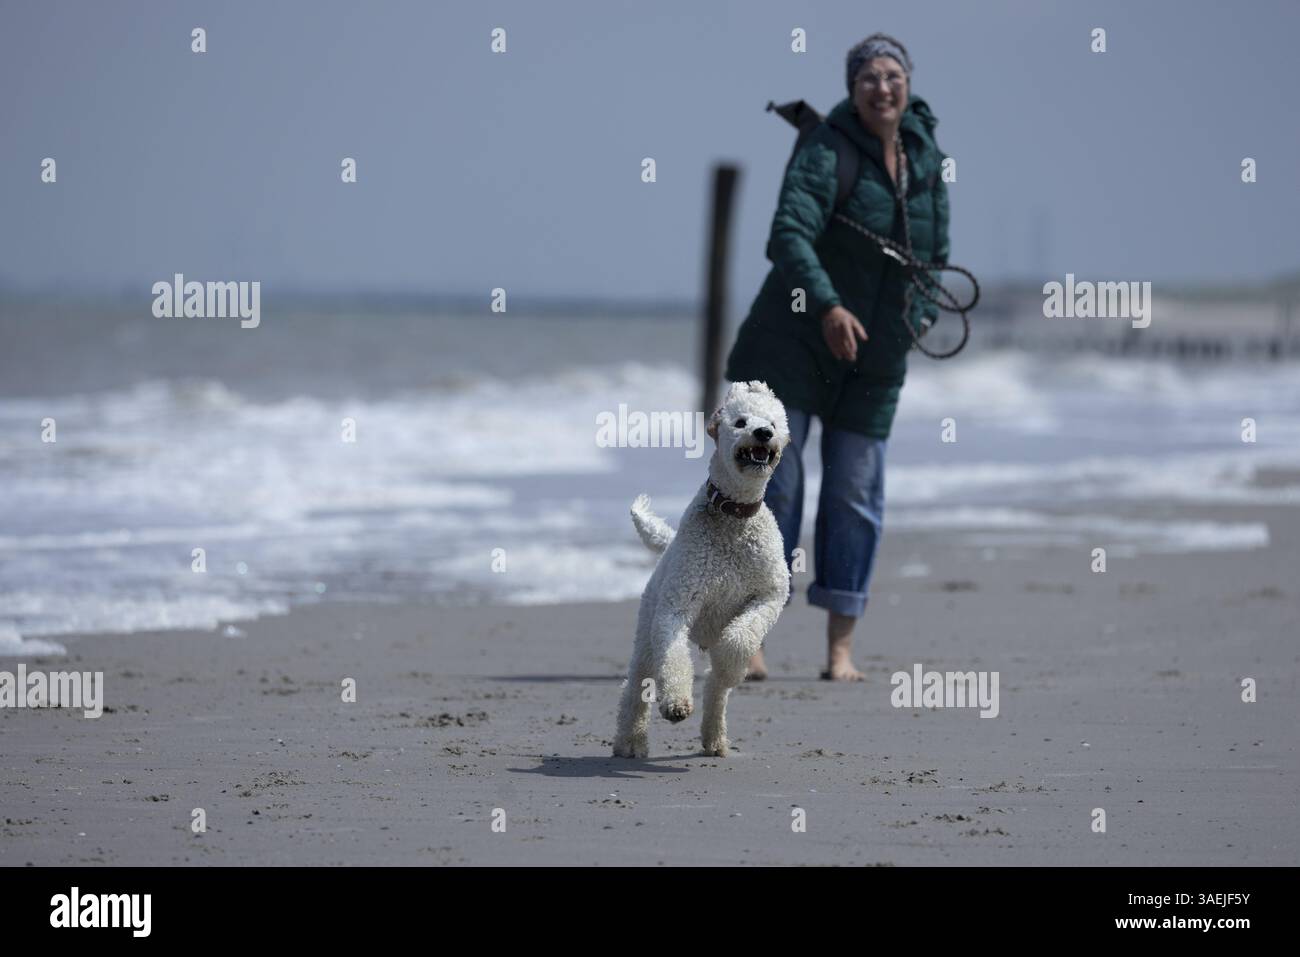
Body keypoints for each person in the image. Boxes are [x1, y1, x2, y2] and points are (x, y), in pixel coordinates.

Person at [724, 34, 950, 680]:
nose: (883, 87)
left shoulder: (927, 160)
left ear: (908, 83)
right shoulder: (828, 148)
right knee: (776, 488)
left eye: (892, 75)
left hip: (875, 360)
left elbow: (934, 256)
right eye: (869, 78)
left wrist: (919, 318)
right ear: (853, 89)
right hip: (792, 343)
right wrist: (826, 306)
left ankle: (840, 649)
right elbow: (787, 234)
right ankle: (752, 634)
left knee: (855, 493)